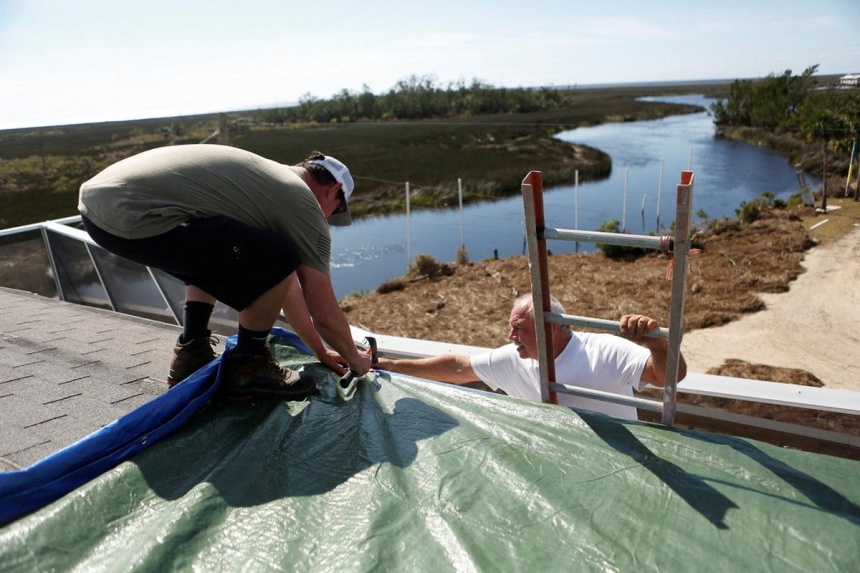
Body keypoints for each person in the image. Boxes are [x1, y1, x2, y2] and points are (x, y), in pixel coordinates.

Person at [78, 144, 371, 401]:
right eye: (334, 210)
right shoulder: (301, 202)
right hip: (132, 215)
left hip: (98, 209)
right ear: (333, 190)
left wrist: (320, 351)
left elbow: (286, 288)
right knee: (276, 257)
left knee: (223, 252)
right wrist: (356, 361)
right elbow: (324, 312)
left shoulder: (263, 181)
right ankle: (248, 367)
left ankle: (192, 352)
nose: (328, 218)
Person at [373, 294, 687, 420]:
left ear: (549, 329)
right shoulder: (515, 359)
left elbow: (669, 377)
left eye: (518, 328)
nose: (510, 337)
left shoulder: (603, 351)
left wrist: (658, 347)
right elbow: (457, 368)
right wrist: (388, 366)